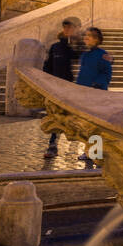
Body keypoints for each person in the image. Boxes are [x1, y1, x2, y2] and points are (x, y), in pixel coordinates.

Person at [41, 17, 81, 158]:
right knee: (55, 116)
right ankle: (52, 146)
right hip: (57, 88)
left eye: (71, 28)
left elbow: (84, 57)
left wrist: (76, 42)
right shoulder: (56, 47)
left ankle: (92, 150)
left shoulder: (79, 46)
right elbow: (48, 66)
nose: (68, 30)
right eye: (66, 28)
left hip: (75, 88)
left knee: (81, 119)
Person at [75, 27, 113, 167]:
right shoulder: (85, 55)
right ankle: (88, 150)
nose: (86, 38)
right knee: (86, 124)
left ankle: (96, 152)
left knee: (95, 124)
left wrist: (98, 85)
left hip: (96, 94)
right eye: (85, 36)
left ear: (97, 39)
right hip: (83, 93)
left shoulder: (103, 55)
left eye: (90, 36)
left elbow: (107, 73)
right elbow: (82, 74)